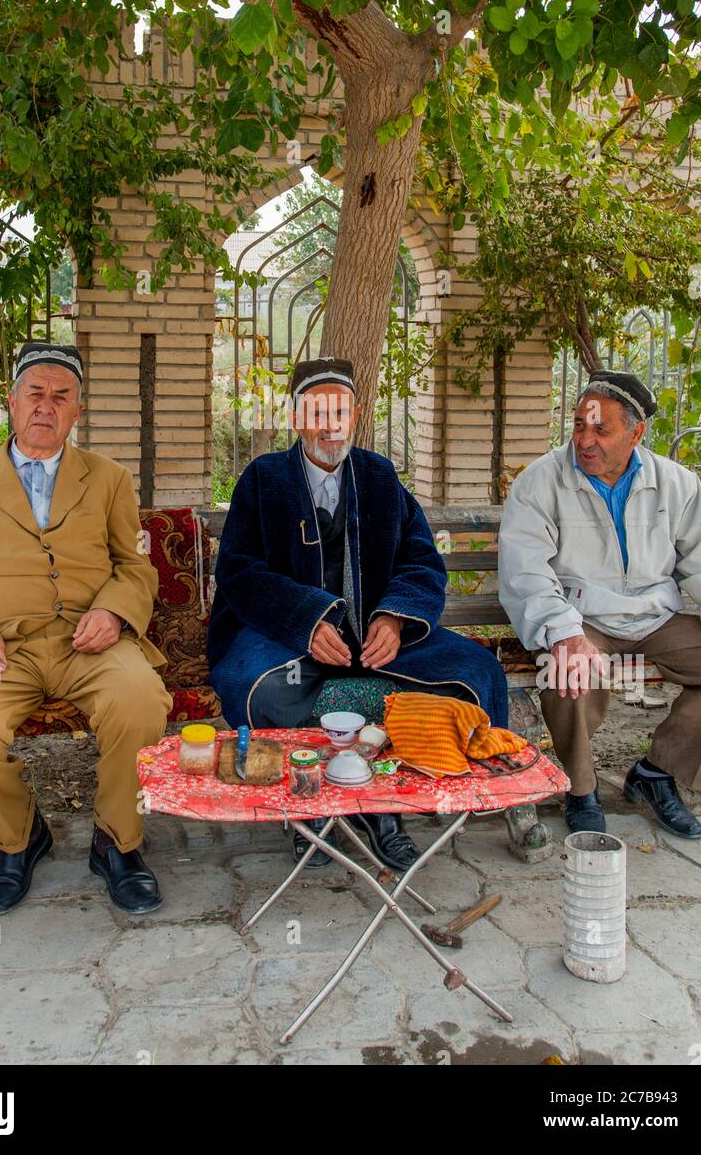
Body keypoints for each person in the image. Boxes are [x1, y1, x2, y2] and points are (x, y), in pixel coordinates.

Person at [208, 357, 508, 870]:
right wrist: (306, 621)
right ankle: (311, 804)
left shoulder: (378, 476)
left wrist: (394, 617)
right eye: (317, 412)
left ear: (356, 414)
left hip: (372, 638)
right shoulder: (263, 480)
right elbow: (239, 572)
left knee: (474, 673)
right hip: (283, 640)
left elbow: (420, 559)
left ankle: (380, 805)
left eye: (340, 412)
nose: (330, 425)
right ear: (298, 418)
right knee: (261, 688)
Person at [0, 343, 171, 916]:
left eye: (61, 396)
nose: (46, 406)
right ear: (11, 402)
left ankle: (116, 840)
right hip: (0, 651)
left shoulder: (109, 479)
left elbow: (135, 566)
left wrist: (115, 613)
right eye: (35, 393)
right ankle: (21, 836)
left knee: (140, 702)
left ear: (79, 409)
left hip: (90, 643)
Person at [499, 370, 701, 838]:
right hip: (581, 616)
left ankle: (656, 773)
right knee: (569, 670)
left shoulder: (677, 484)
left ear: (635, 433)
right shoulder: (541, 482)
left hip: (655, 614)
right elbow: (526, 569)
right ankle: (581, 790)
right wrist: (562, 631)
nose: (586, 440)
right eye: (580, 425)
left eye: (601, 430)